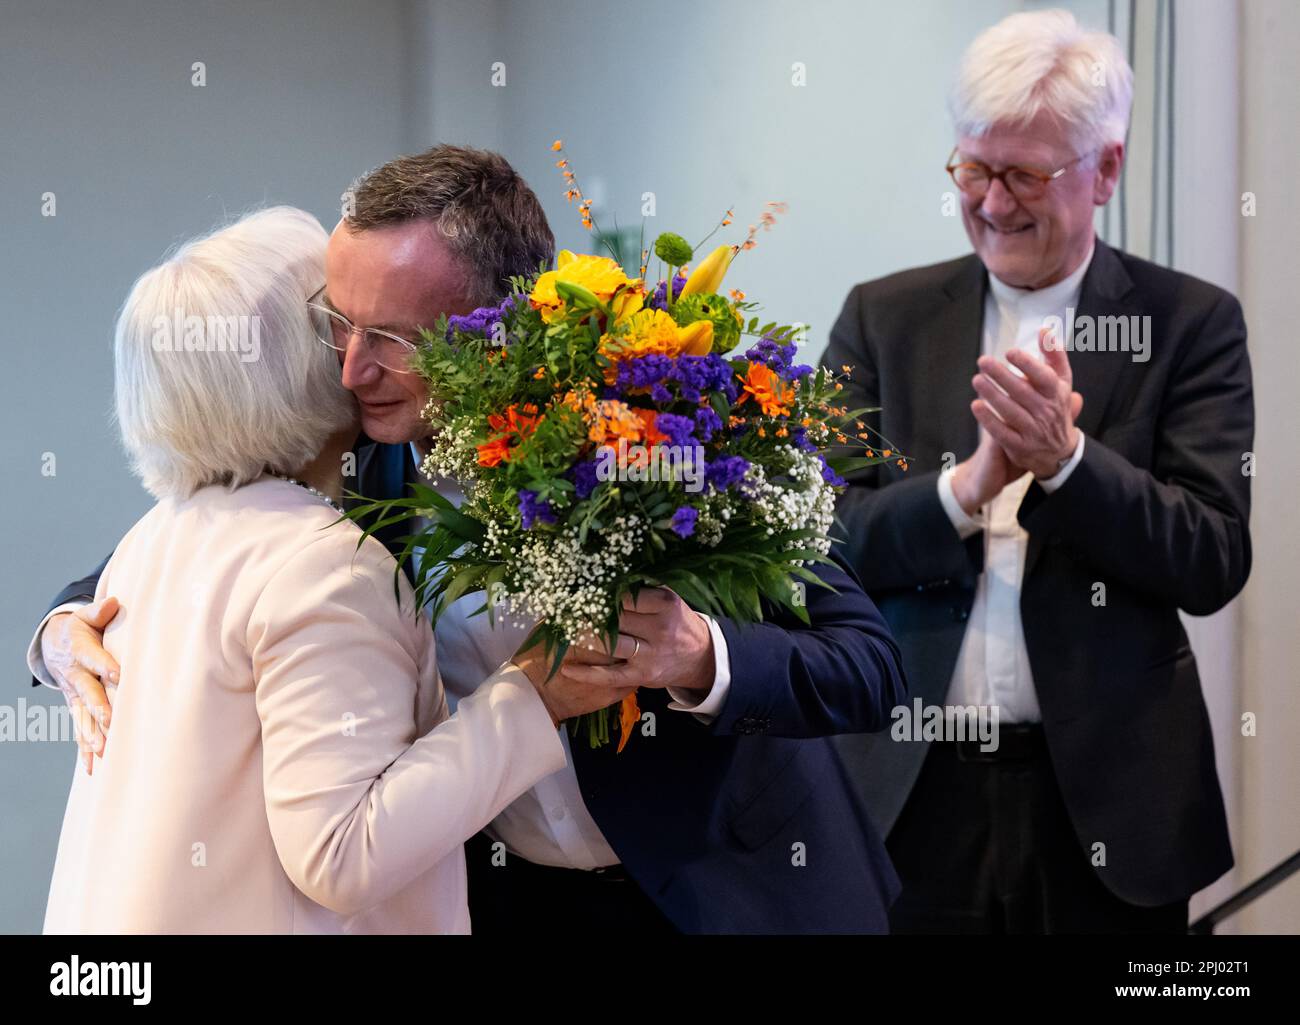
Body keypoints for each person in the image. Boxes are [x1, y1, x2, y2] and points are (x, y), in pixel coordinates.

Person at [31, 146, 909, 934]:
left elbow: (869, 666)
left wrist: (699, 656)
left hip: (733, 893)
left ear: (504, 320)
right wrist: (59, 629)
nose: (350, 370)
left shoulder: (660, 423)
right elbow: (168, 552)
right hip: (505, 901)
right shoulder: (351, 462)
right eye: (339, 324)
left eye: (391, 339)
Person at [42, 206, 630, 933]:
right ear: (301, 364)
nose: (359, 356)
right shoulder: (324, 564)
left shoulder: (151, 539)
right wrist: (531, 697)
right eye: (340, 326)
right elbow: (342, 856)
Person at [823, 9, 1252, 933]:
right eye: (974, 169)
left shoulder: (1190, 323)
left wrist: (1068, 464)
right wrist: (965, 491)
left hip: (1109, 806)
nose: (993, 201)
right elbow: (819, 538)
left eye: (1024, 174)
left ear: (1105, 169)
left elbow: (1213, 555)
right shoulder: (883, 318)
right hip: (910, 794)